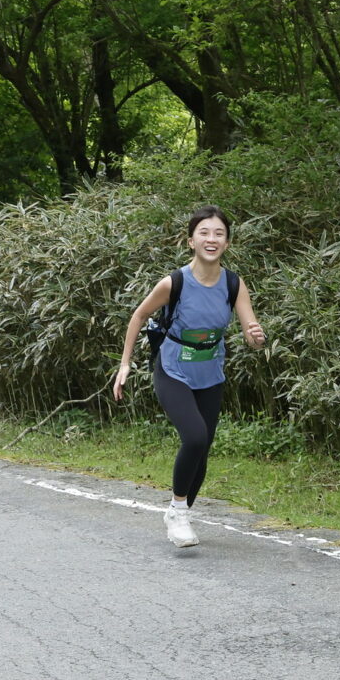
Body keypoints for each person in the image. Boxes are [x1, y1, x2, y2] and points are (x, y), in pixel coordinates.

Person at [113, 206, 267, 547]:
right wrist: (125, 364)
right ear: (191, 241)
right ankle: (179, 512)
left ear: (227, 243)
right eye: (204, 233)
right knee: (195, 437)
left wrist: (256, 339)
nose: (211, 239)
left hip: (210, 372)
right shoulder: (174, 282)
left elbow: (251, 334)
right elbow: (138, 316)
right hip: (173, 368)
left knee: (203, 448)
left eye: (219, 234)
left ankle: (179, 511)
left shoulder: (233, 284)